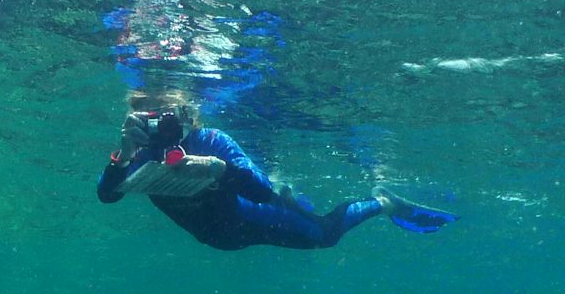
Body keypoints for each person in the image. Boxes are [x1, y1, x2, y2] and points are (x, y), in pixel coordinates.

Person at [96, 96, 453, 251]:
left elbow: (260, 192)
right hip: (217, 238)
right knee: (297, 213)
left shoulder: (212, 140)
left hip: (252, 220)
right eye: (149, 116)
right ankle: (294, 196)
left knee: (324, 235)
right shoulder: (139, 151)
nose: (161, 125)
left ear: (187, 113)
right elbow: (107, 195)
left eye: (167, 115)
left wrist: (218, 170)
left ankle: (382, 203)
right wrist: (122, 155)